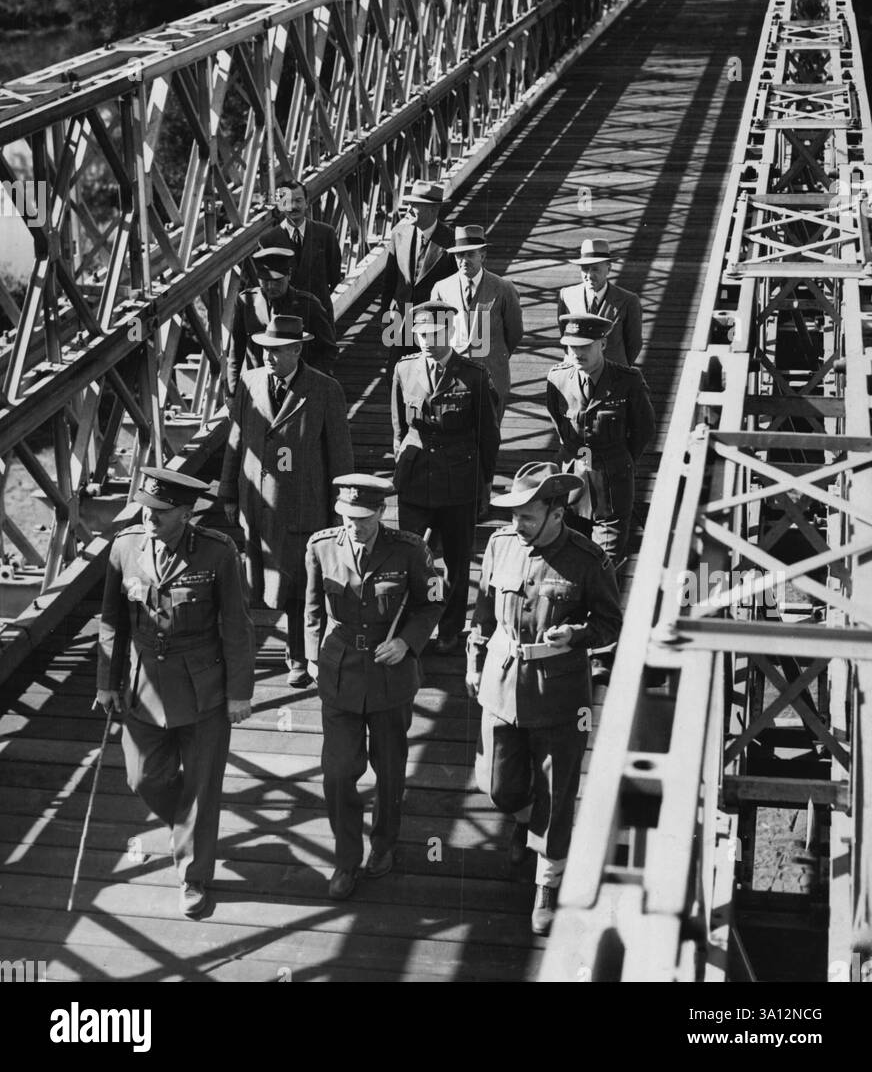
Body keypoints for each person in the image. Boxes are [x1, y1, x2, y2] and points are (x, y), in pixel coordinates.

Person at [466, 461, 622, 936]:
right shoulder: (500, 545)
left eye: (528, 516)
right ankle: (525, 819)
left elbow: (611, 624)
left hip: (558, 693)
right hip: (501, 682)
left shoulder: (588, 559)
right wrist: (474, 661)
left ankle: (547, 884)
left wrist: (577, 634)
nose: (518, 525)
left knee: (556, 796)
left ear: (557, 513)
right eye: (514, 516)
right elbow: (484, 610)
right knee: (497, 785)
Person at [96, 467, 255, 918]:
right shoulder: (125, 547)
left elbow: (238, 628)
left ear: (185, 514)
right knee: (142, 777)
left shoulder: (217, 553)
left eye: (161, 513)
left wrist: (239, 692)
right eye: (146, 510)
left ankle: (193, 877)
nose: (150, 519)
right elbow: (112, 621)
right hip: (143, 685)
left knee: (202, 788)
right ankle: (189, 829)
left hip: (204, 686)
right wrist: (107, 682)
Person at [305, 474, 444, 899]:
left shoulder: (410, 550)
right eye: (346, 516)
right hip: (340, 669)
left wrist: (407, 642)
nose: (353, 525)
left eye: (363, 518)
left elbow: (432, 601)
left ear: (382, 512)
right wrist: (312, 656)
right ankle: (345, 860)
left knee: (389, 769)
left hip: (390, 675)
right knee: (337, 772)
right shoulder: (320, 546)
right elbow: (311, 606)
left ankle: (382, 845)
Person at [218, 313, 353, 689]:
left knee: (297, 588)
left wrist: (341, 509)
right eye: (264, 350)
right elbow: (236, 440)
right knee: (251, 584)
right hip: (255, 505)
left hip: (302, 507)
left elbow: (340, 457)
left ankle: (298, 657)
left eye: (276, 351)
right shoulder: (250, 382)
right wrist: (228, 491)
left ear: (297, 349)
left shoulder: (325, 390)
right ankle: (242, 660)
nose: (267, 357)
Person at [391, 301, 500, 654]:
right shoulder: (404, 370)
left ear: (450, 332)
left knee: (456, 559)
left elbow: (488, 434)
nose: (425, 340)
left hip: (459, 478)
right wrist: (401, 464)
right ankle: (411, 628)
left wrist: (485, 483)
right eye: (420, 333)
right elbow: (398, 428)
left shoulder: (473, 374)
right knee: (409, 555)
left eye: (433, 333)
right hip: (415, 477)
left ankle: (451, 628)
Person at [546, 313, 656, 572]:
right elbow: (560, 425)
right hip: (571, 482)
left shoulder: (627, 381)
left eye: (585, 347)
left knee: (606, 565)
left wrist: (620, 460)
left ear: (603, 344)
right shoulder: (557, 379)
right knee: (567, 559)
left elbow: (644, 429)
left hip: (611, 483)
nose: (577, 354)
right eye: (572, 347)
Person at [430, 224, 523, 421]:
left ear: (483, 255)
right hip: (455, 377)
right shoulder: (441, 289)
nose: (464, 261)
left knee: (490, 434)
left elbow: (514, 333)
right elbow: (437, 333)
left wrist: (495, 355)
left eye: (470, 254)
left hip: (493, 377)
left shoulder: (503, 288)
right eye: (459, 255)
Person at [225, 246, 338, 399]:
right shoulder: (246, 303)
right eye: (265, 281)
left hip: (299, 392)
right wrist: (232, 394)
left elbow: (328, 350)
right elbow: (235, 353)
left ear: (289, 275)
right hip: (259, 391)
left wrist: (311, 381)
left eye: (277, 281)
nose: (271, 287)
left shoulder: (309, 305)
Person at [380, 180, 456, 365]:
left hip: (434, 323)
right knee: (396, 373)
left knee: (431, 373)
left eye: (416, 205)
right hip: (401, 320)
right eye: (410, 204)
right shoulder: (399, 233)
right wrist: (384, 315)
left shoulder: (451, 241)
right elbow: (389, 280)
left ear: (434, 210)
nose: (410, 209)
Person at [260, 178, 343, 321]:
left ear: (307, 202)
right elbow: (265, 285)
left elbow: (334, 276)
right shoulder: (268, 241)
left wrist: (317, 301)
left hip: (319, 318)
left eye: (298, 200)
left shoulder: (326, 234)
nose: (293, 206)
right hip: (285, 319)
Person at [557, 235, 643, 368]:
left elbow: (634, 345)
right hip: (576, 372)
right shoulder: (566, 295)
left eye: (595, 269)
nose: (589, 275)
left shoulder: (628, 300)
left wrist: (620, 371)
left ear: (609, 268)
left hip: (613, 376)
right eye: (585, 269)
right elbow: (564, 335)